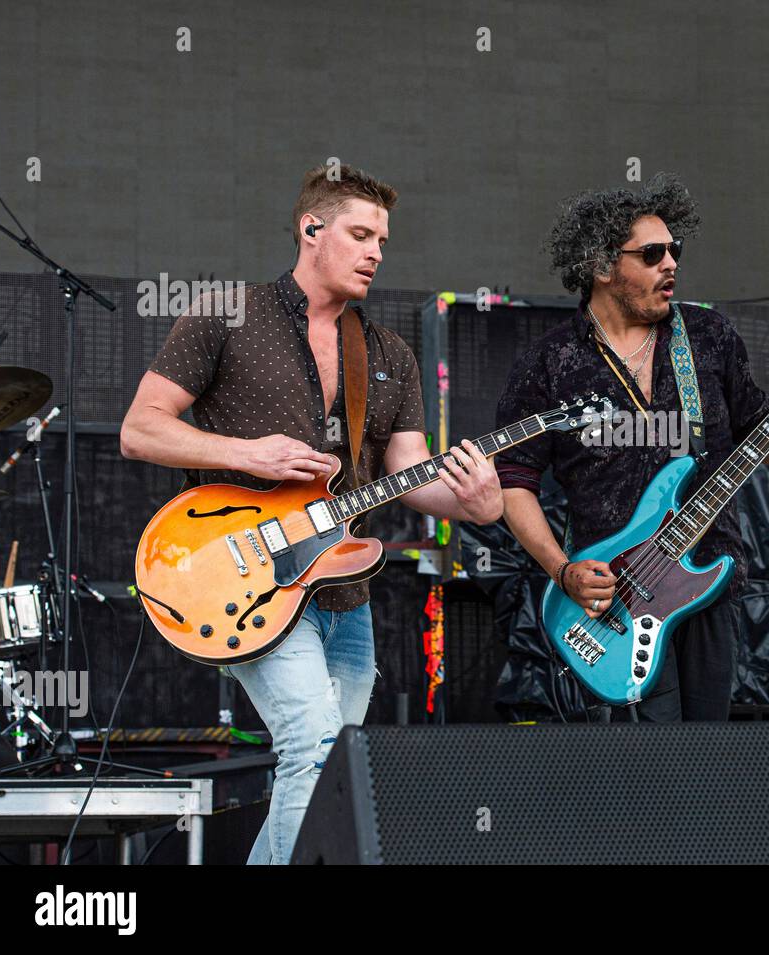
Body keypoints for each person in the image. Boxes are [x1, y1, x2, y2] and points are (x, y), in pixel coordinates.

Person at [121, 163, 502, 863]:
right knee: (314, 744)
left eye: (382, 239)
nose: (375, 252)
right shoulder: (225, 313)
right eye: (360, 234)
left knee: (326, 772)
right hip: (246, 577)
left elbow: (411, 474)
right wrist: (251, 454)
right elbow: (139, 428)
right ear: (311, 229)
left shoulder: (387, 352)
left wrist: (476, 503)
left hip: (344, 588)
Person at [495, 174, 769, 721]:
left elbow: (766, 448)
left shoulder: (709, 336)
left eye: (675, 250)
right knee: (644, 763)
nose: (671, 264)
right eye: (652, 254)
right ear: (601, 267)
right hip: (609, 596)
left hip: (706, 576)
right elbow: (513, 480)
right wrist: (561, 569)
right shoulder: (551, 361)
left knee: (702, 760)